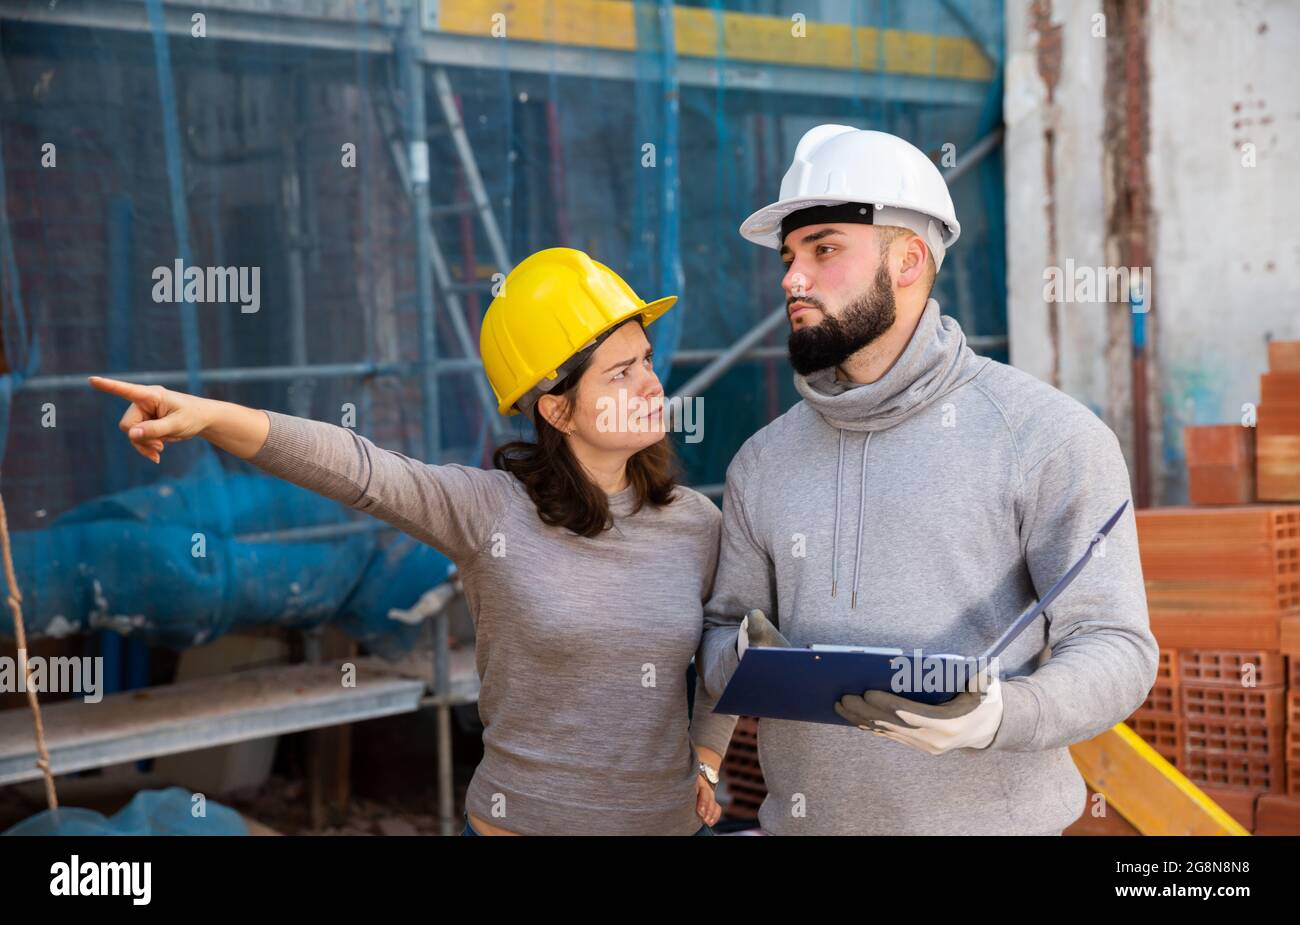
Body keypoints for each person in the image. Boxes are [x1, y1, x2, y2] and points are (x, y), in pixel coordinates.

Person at [90, 246, 736, 836]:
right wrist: (210, 417)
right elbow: (358, 468)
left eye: (646, 360)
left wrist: (706, 755)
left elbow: (729, 652)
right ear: (557, 409)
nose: (652, 383)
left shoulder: (694, 523)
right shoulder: (490, 513)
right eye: (621, 372)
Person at [697, 126, 1158, 835]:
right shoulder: (763, 461)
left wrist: (1002, 714)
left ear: (908, 259)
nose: (791, 277)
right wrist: (738, 655)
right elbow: (723, 630)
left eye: (823, 249)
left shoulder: (1045, 436)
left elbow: (1117, 645)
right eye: (790, 256)